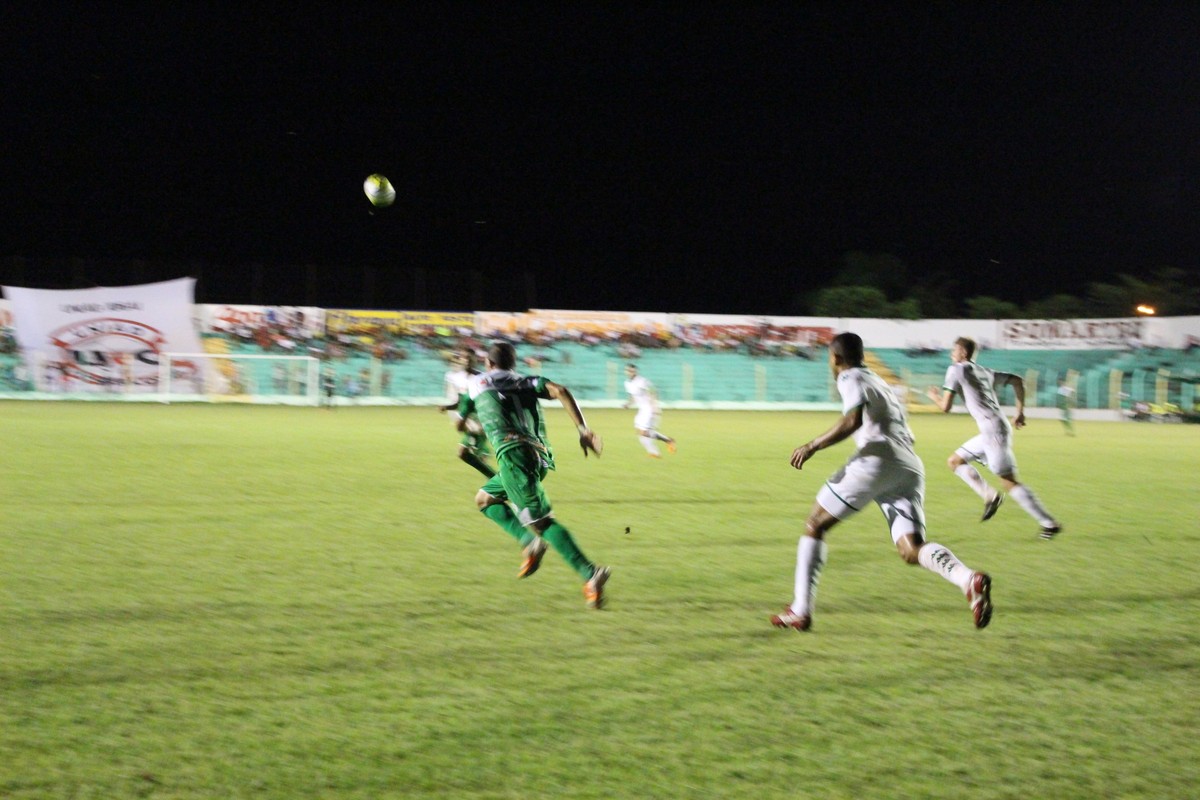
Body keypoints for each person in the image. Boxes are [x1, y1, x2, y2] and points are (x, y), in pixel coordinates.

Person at [772, 332, 993, 632]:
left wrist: (811, 446)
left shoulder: (849, 377)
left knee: (815, 524)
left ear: (836, 358)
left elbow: (853, 420)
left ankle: (800, 610)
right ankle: (968, 579)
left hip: (876, 460)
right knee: (911, 549)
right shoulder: (879, 381)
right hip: (909, 466)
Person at [458, 342, 611, 609]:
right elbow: (561, 391)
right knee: (484, 499)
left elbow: (462, 419)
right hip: (539, 456)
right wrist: (583, 431)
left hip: (513, 455)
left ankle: (591, 574)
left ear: (488, 364)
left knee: (542, 523)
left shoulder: (477, 382)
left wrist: (469, 424)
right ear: (513, 364)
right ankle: (530, 544)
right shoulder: (526, 381)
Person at [925, 337, 1062, 538]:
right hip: (992, 429)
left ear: (963, 352)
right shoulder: (984, 371)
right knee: (955, 461)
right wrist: (1020, 411)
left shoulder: (956, 369)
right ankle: (990, 495)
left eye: (954, 350)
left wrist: (934, 397)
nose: (951, 354)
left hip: (993, 433)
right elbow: (1017, 380)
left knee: (1009, 481)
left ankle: (1049, 523)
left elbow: (945, 407)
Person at [439, 348, 495, 478]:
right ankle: (496, 481)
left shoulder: (482, 378)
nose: (468, 361)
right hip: (468, 419)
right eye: (465, 358)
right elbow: (460, 402)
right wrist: (447, 407)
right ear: (461, 360)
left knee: (466, 453)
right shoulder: (458, 379)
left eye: (470, 358)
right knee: (465, 453)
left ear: (475, 360)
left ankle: (497, 485)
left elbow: (490, 399)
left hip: (480, 420)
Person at [623, 364, 676, 457]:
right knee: (642, 433)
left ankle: (666, 442)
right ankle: (656, 452)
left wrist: (655, 406)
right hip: (642, 409)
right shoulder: (627, 383)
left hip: (649, 408)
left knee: (644, 433)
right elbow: (632, 396)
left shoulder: (642, 381)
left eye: (633, 371)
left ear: (636, 372)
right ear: (626, 371)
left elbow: (653, 391)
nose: (631, 373)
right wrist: (628, 404)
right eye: (629, 371)